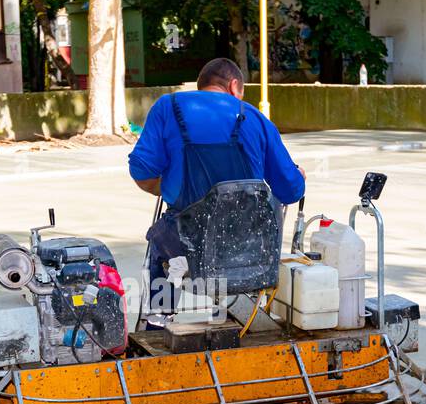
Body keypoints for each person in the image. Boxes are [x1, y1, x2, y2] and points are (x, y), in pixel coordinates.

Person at [128, 58, 306, 321]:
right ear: (234, 86)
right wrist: (298, 176)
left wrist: (166, 187)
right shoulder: (255, 117)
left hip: (186, 242)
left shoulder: (169, 106)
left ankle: (160, 320)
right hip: (248, 245)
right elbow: (291, 191)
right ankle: (235, 316)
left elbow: (141, 170)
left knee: (158, 246)